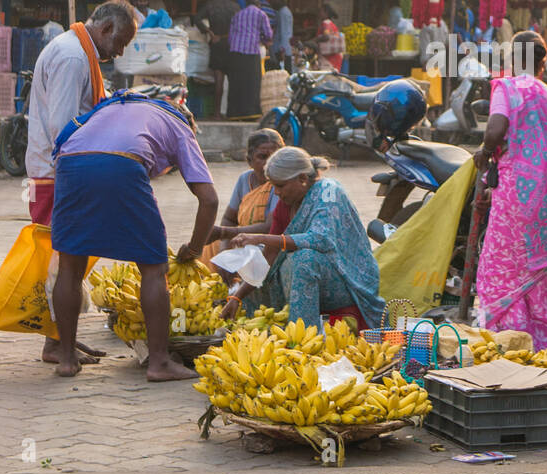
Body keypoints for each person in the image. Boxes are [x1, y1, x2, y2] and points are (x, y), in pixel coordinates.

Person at [50, 93, 218, 379]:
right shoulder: (179, 125)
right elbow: (209, 199)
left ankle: (66, 359)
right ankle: (159, 363)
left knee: (70, 266)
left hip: (69, 163)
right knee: (154, 268)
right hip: (123, 163)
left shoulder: (116, 106)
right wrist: (195, 248)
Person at [24, 0, 139, 366]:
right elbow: (63, 128)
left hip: (58, 171)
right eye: (119, 43)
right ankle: (59, 346)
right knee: (63, 264)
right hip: (58, 174)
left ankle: (61, 337)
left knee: (65, 263)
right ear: (104, 29)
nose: (119, 53)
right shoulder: (73, 57)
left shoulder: (73, 50)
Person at [471, 31, 547, 350]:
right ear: (542, 65)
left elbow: (496, 128)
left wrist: (484, 151)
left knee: (504, 269)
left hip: (522, 195)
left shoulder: (507, 87)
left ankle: (512, 342)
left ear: (511, 59)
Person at [223, 147, 383, 328]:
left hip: (347, 281)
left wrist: (261, 237)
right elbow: (269, 257)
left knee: (305, 259)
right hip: (311, 278)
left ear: (302, 179)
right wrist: (237, 296)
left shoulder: (328, 191)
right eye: (273, 186)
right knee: (254, 258)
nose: (276, 192)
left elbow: (320, 239)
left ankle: (303, 334)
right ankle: (260, 327)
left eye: (280, 186)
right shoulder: (285, 206)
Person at [203, 128, 286, 260]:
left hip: (267, 243)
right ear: (249, 160)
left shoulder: (281, 184)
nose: (269, 163)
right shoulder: (244, 179)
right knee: (207, 247)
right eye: (262, 157)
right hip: (240, 239)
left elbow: (270, 227)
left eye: (274, 157)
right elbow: (229, 219)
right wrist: (224, 248)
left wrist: (224, 232)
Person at [195, 0, 240, 119]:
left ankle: (217, 113)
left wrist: (209, 32)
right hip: (232, 44)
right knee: (233, 81)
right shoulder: (235, 6)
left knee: (218, 81)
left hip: (217, 43)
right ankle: (232, 113)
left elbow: (197, 19)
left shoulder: (210, 5)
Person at [225, 0, 273, 118]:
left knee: (236, 82)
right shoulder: (261, 14)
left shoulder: (237, 15)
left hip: (235, 52)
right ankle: (250, 112)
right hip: (251, 51)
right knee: (252, 83)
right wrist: (262, 40)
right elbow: (268, 35)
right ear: (258, 5)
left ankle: (234, 113)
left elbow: (230, 37)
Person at [267, 0, 294, 71]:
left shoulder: (284, 13)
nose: (270, 2)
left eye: (271, 0)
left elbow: (285, 34)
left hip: (281, 53)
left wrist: (282, 51)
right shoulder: (280, 12)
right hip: (280, 51)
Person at [315, 3, 344, 72]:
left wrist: (315, 39)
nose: (319, 13)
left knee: (327, 75)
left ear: (326, 13)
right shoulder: (330, 23)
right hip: (334, 56)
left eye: (321, 11)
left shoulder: (326, 23)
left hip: (328, 57)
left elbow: (326, 36)